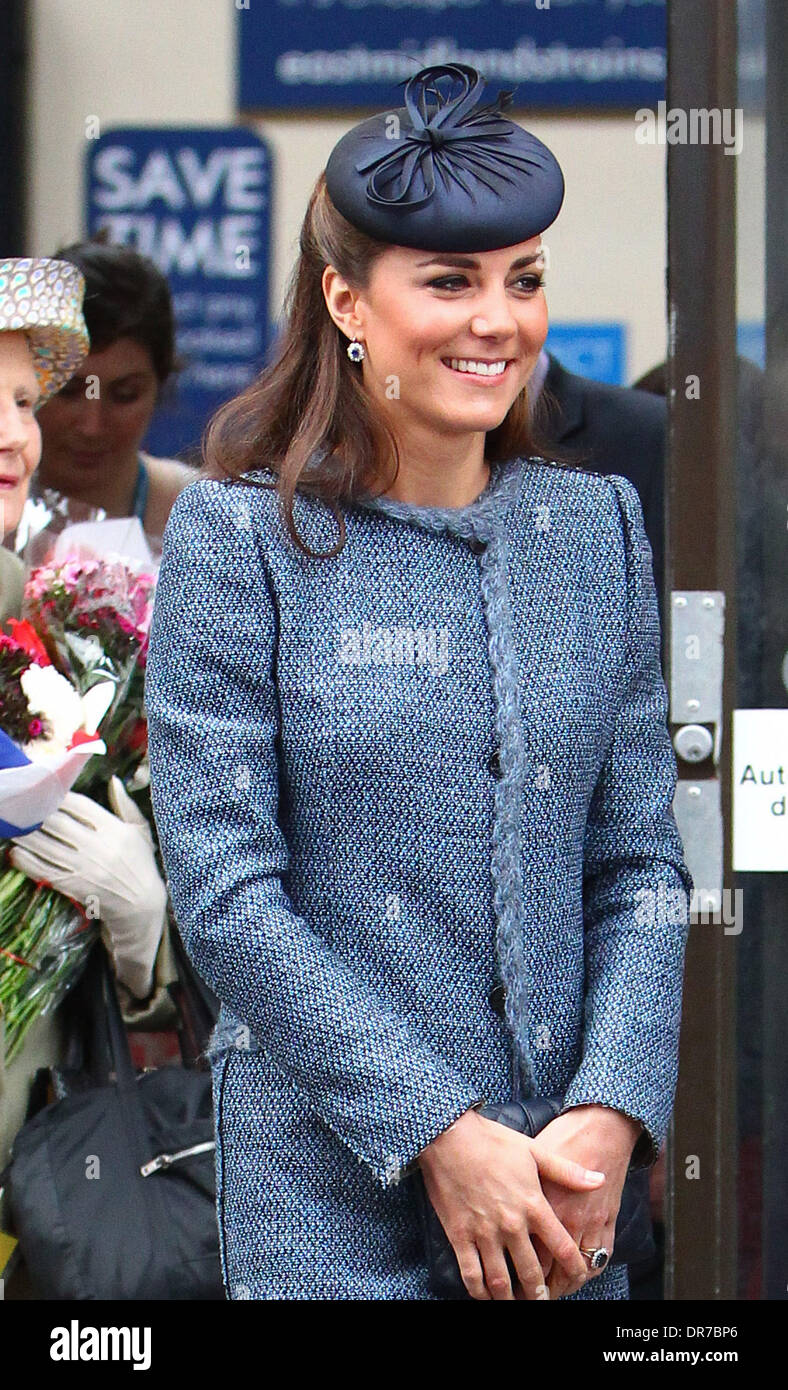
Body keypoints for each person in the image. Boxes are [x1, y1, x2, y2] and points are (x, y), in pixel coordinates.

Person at [144, 63, 693, 1302]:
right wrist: (439, 1132)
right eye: (448, 281)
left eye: (524, 278)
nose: (494, 320)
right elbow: (228, 899)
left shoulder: (594, 525)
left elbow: (640, 867)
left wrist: (609, 1111)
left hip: (560, 1203)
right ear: (345, 298)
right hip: (326, 1199)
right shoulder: (239, 546)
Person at [0, 257, 173, 1186]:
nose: (17, 437)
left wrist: (140, 933)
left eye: (25, 402)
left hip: (34, 1159)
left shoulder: (22, 595)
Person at [24, 235, 195, 539]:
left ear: (161, 382)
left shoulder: (205, 519)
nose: (92, 426)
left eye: (124, 395)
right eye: (68, 390)